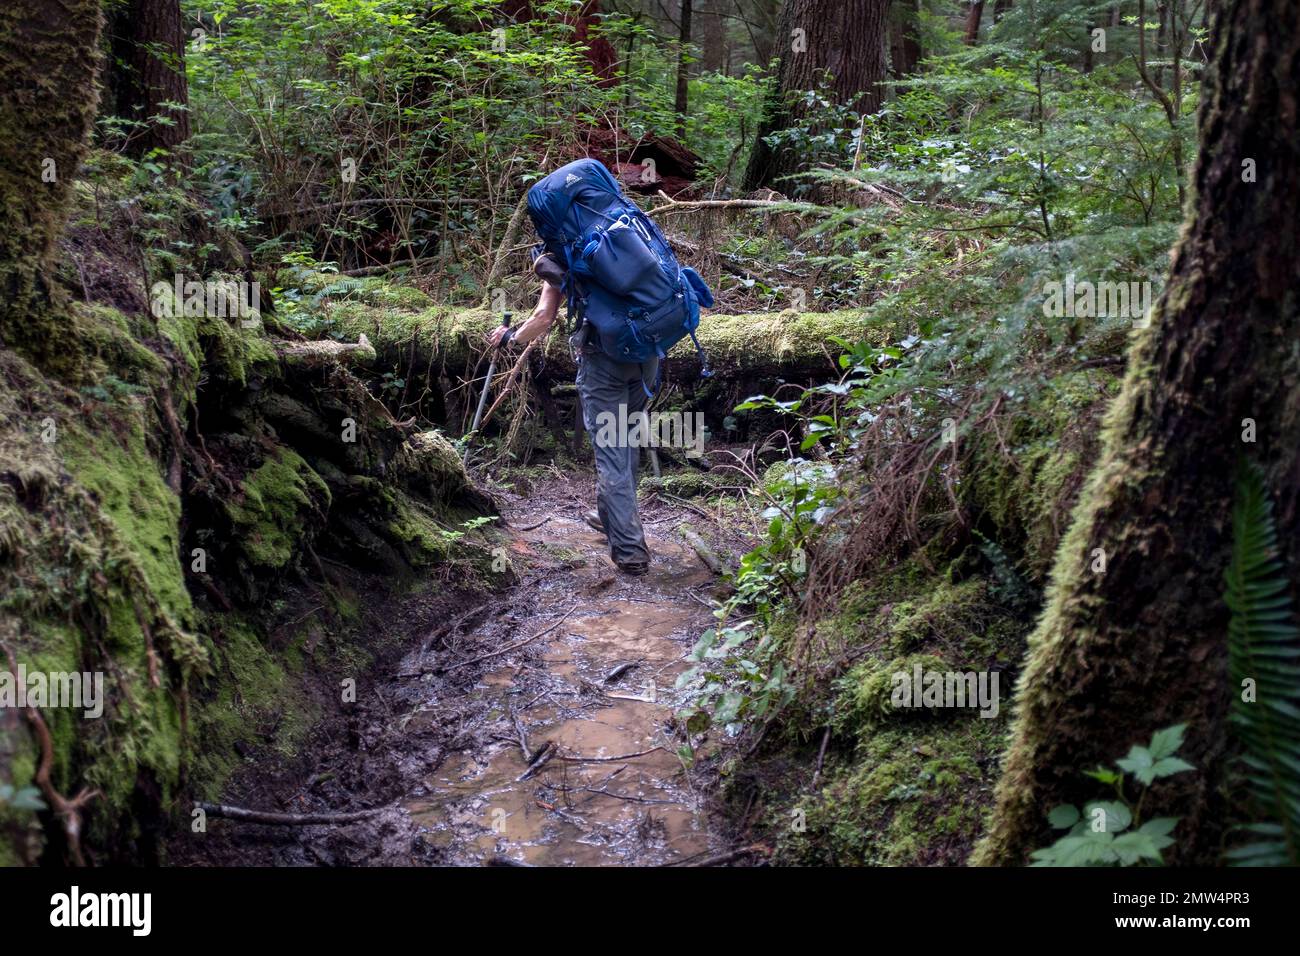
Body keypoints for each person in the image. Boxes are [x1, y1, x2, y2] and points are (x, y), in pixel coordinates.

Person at [488, 250, 656, 577]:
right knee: (627, 439)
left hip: (605, 362)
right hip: (647, 356)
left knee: (611, 450)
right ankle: (612, 517)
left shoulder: (561, 254)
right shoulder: (620, 240)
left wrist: (510, 337)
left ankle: (630, 551)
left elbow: (542, 319)